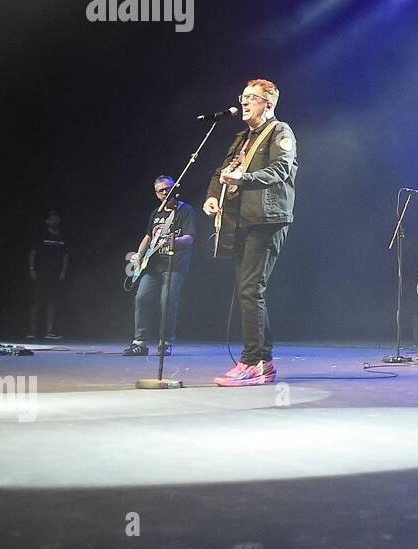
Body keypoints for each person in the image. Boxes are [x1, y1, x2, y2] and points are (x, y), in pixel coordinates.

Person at [203, 79, 297, 387]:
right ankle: (262, 361)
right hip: (241, 222)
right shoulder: (243, 137)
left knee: (251, 289)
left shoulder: (280, 131)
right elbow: (222, 172)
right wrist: (213, 194)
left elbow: (279, 170)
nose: (244, 102)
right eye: (243, 97)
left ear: (268, 104)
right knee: (248, 290)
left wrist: (243, 178)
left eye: (252, 98)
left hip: (267, 219)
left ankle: (252, 361)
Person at [123, 176, 195, 356]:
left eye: (168, 188)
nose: (165, 192)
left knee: (167, 302)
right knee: (141, 298)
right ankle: (140, 342)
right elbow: (148, 237)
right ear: (156, 194)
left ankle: (165, 342)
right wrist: (139, 255)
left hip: (175, 266)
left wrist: (172, 241)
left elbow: (190, 238)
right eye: (161, 190)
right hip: (153, 265)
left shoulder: (185, 211)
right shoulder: (156, 213)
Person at [27, 209, 68, 340]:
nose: (54, 221)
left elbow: (65, 256)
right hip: (40, 273)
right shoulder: (41, 235)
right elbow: (33, 253)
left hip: (55, 275)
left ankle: (49, 331)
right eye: (52, 219)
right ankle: (32, 331)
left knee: (52, 303)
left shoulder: (62, 236)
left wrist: (63, 271)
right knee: (36, 302)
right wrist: (32, 269)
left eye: (56, 219)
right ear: (47, 221)